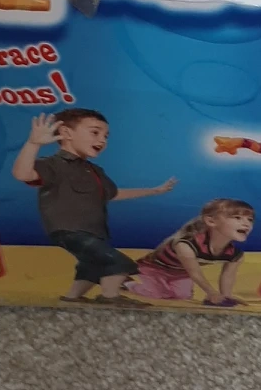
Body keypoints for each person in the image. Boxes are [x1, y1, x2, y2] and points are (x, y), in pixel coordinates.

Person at [12, 109, 176, 306]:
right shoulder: (52, 164)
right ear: (66, 133)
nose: (102, 140)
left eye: (106, 136)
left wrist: (154, 191)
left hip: (93, 231)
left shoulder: (94, 170)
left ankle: (72, 297)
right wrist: (33, 144)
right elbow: (22, 174)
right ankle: (110, 296)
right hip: (69, 229)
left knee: (91, 265)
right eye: (95, 132)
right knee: (115, 262)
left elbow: (112, 194)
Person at [126, 198, 254, 306]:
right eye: (237, 218)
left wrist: (226, 296)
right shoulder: (186, 245)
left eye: (250, 219)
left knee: (182, 297)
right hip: (154, 268)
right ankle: (127, 283)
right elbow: (195, 273)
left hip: (181, 273)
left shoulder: (235, 255)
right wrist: (212, 293)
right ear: (211, 221)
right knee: (158, 294)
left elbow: (228, 275)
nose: (246, 224)